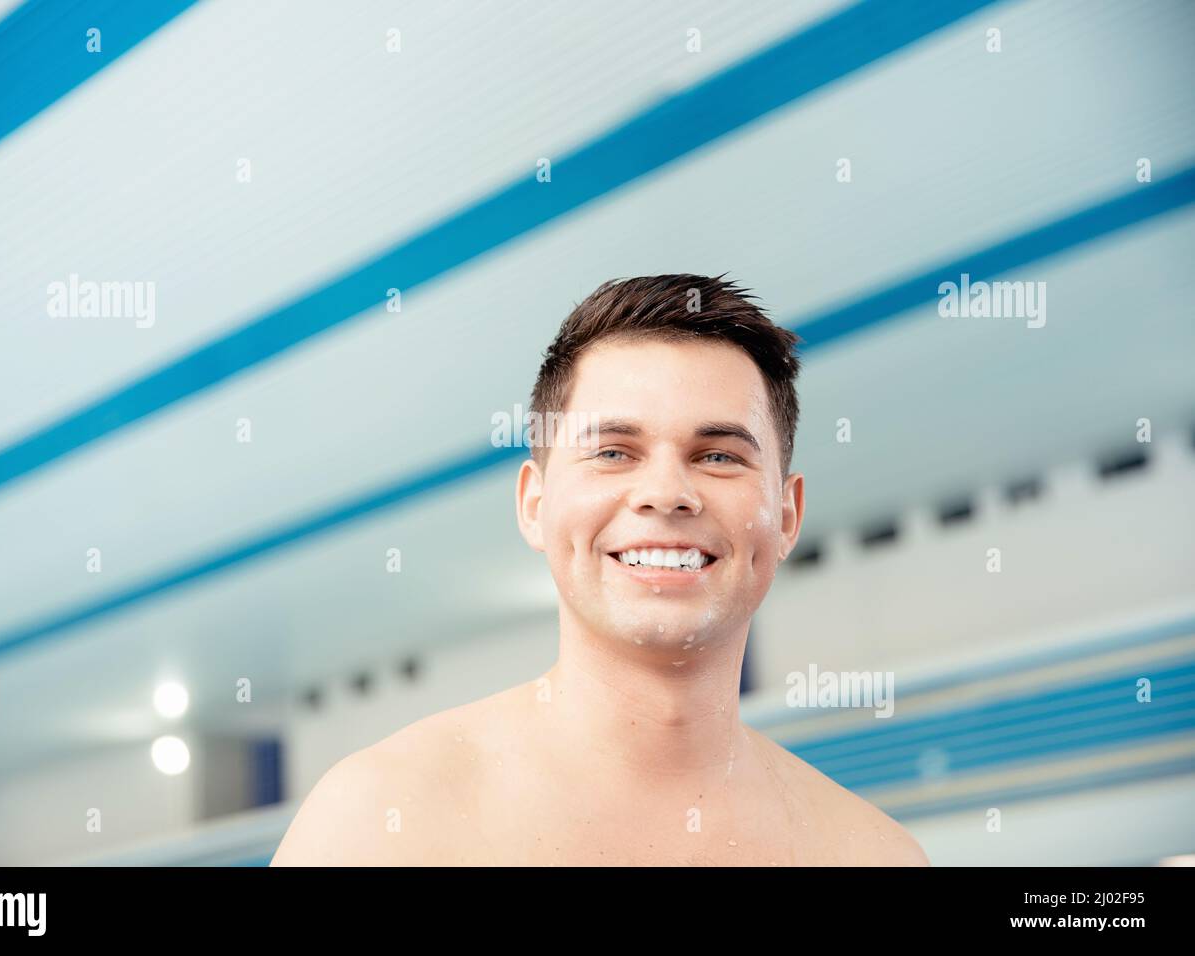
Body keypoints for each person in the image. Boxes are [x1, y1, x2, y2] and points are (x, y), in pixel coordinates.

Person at [272, 274, 929, 866]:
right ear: (534, 503)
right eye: (615, 451)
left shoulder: (869, 853)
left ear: (786, 516)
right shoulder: (380, 822)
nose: (667, 492)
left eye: (720, 456)